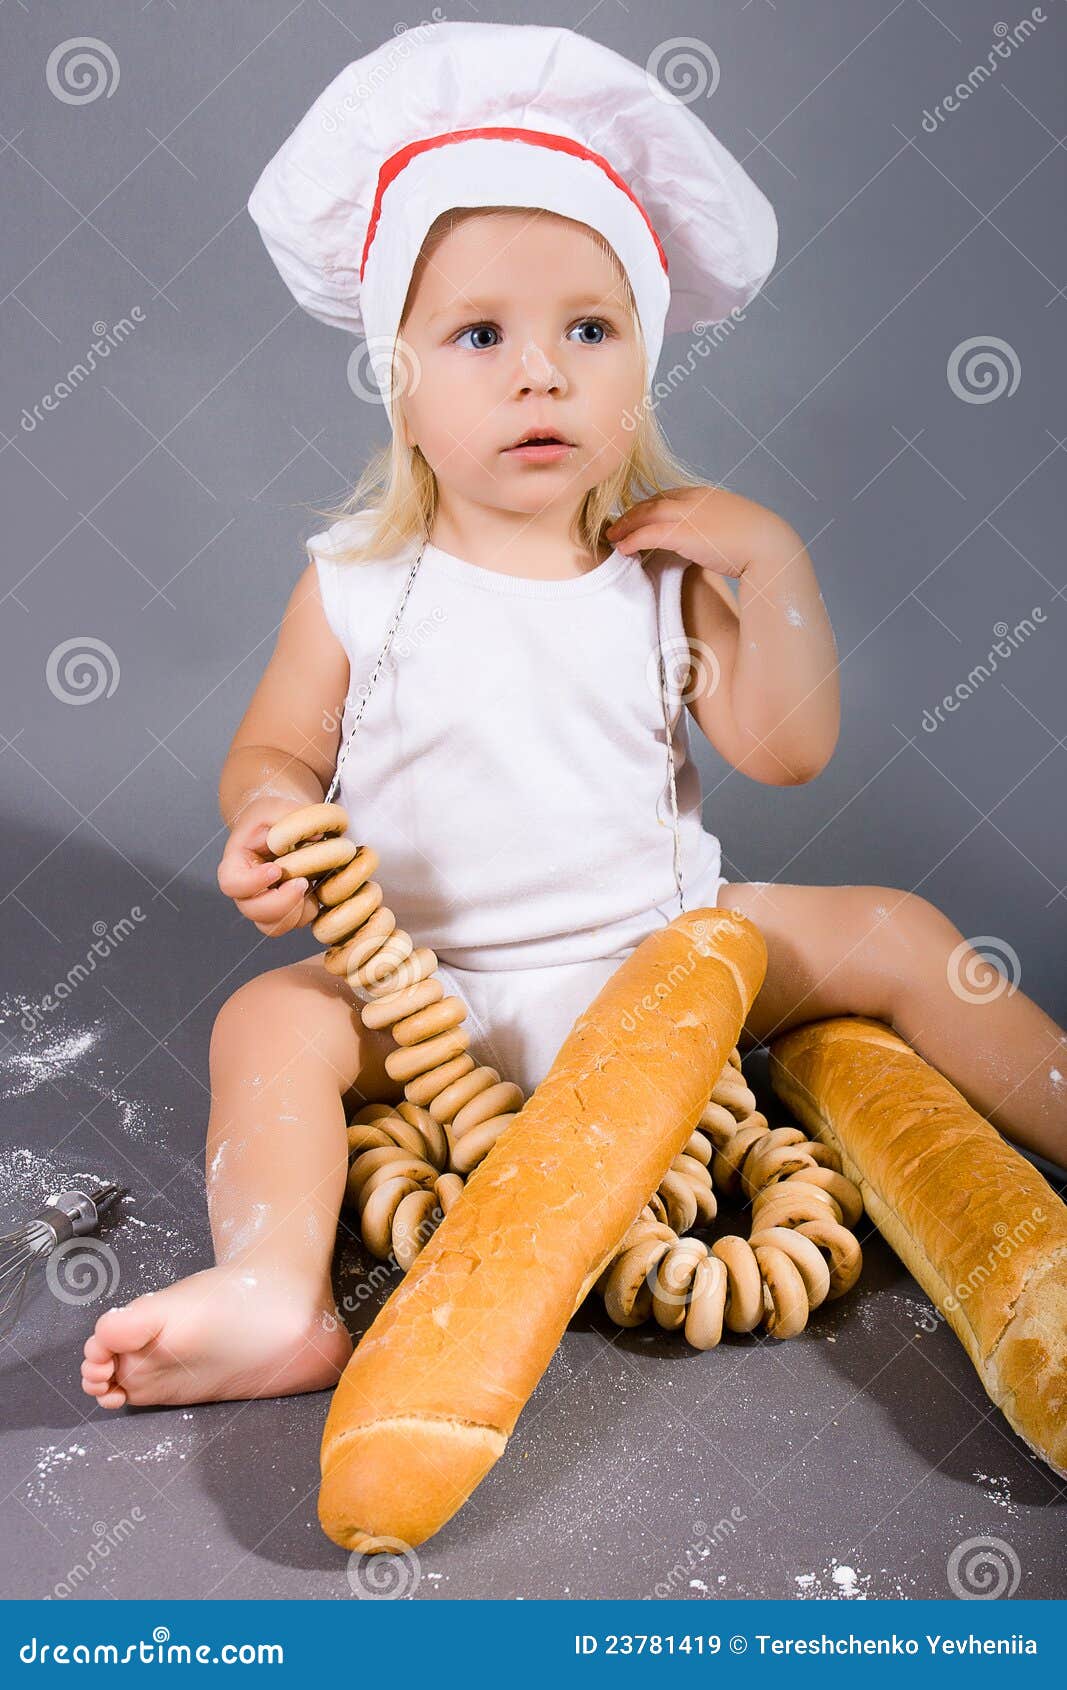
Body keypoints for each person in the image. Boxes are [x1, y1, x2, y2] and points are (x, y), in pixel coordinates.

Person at [80, 23, 1066, 1412]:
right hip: (435, 989)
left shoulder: (657, 571)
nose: (539, 373)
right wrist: (268, 815)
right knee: (267, 1023)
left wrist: (774, 565)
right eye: (480, 334)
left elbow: (789, 750)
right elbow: (277, 748)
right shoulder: (360, 583)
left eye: (588, 331)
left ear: (638, 365)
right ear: (398, 377)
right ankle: (270, 1291)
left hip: (667, 961)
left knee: (898, 932)